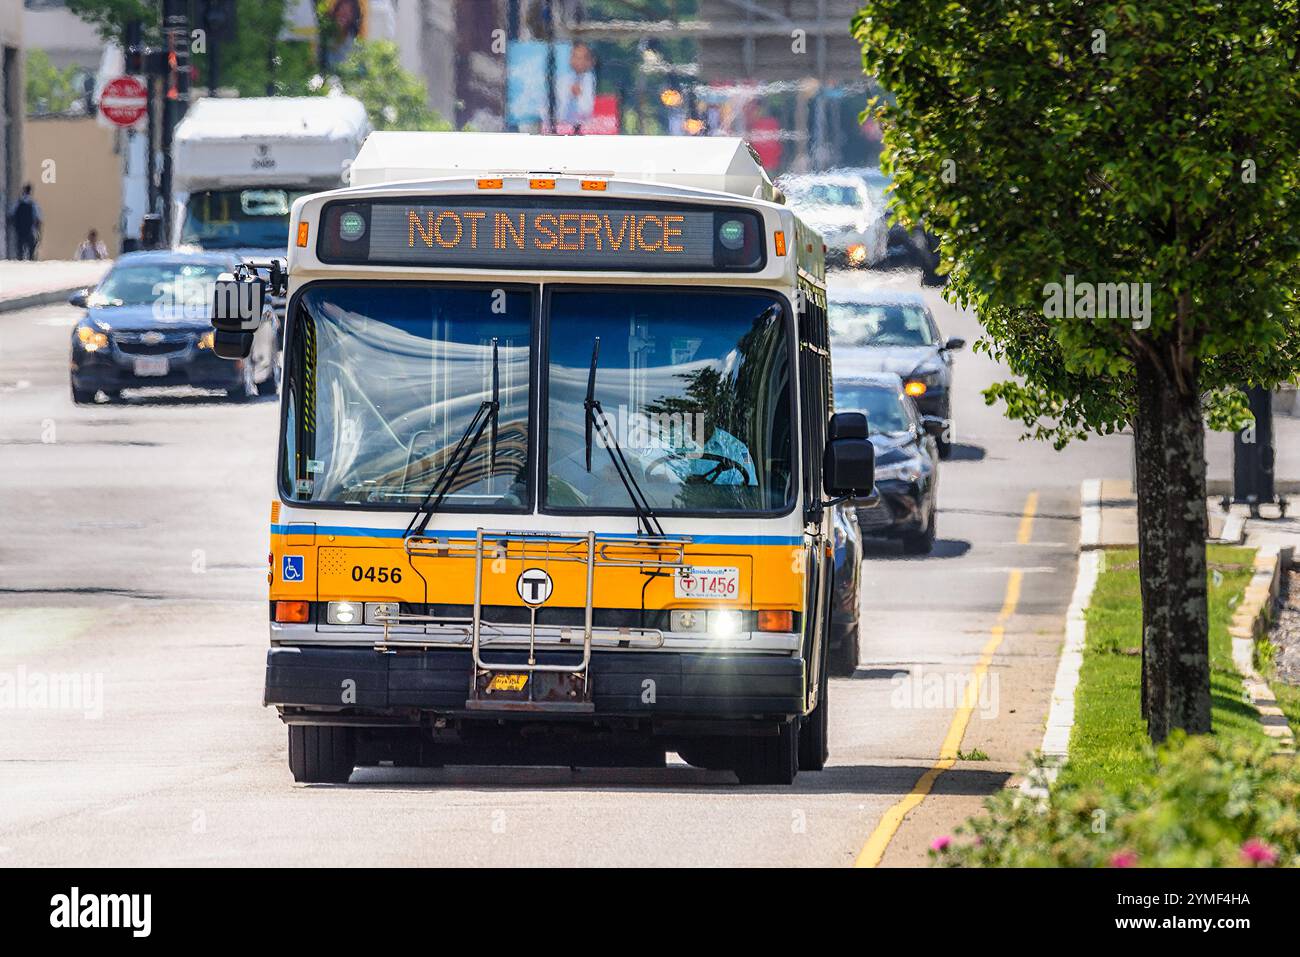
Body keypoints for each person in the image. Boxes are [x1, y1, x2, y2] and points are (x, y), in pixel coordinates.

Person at [9, 184, 41, 260]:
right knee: (31, 251)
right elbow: (38, 218)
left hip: (19, 230)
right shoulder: (33, 204)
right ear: (30, 192)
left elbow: (11, 215)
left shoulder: (17, 203)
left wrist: (14, 226)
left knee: (19, 251)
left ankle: (20, 261)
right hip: (30, 230)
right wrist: (38, 230)